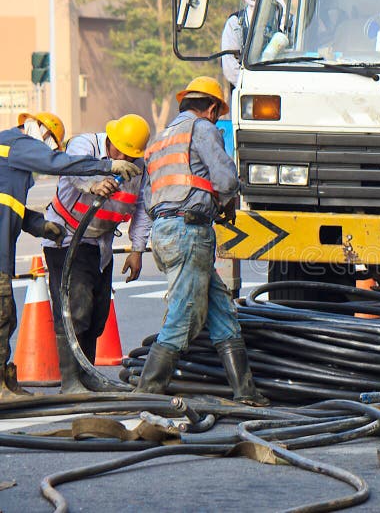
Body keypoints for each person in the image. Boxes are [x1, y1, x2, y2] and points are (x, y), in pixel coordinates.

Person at [135, 76, 268, 405]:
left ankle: (245, 391)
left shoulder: (161, 139)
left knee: (222, 313)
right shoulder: (202, 129)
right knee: (186, 316)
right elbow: (225, 179)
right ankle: (146, 392)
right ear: (211, 108)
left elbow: (150, 196)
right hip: (189, 231)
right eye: (216, 112)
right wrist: (225, 202)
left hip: (165, 231)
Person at [0, 111, 141, 398]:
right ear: (38, 129)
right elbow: (57, 163)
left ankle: (5, 381)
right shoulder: (17, 143)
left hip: (8, 249)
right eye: (50, 142)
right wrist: (105, 166)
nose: (47, 149)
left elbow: (12, 207)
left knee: (6, 316)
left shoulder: (13, 165)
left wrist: (40, 226)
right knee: (3, 315)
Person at [43, 114, 152, 393]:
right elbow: (72, 168)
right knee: (74, 309)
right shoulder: (85, 145)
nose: (126, 158)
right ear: (111, 141)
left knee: (97, 312)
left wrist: (137, 249)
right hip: (66, 237)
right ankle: (70, 381)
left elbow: (142, 209)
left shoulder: (139, 168)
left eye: (132, 155)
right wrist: (92, 183)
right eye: (122, 152)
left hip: (99, 243)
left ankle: (87, 374)